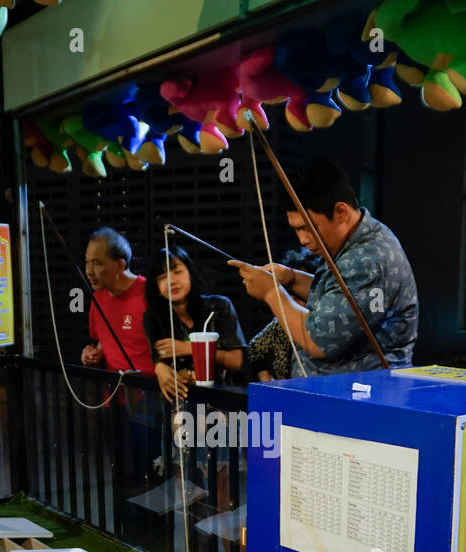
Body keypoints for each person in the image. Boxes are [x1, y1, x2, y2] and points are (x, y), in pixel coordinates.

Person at [231, 158, 417, 376]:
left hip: (360, 399)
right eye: (296, 230)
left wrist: (271, 292)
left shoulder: (367, 259)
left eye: (308, 228)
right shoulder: (361, 238)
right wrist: (291, 278)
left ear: (341, 212)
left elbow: (318, 340)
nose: (302, 239)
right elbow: (341, 297)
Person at [144, 246, 245, 402]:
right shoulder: (153, 317)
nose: (171, 281)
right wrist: (159, 368)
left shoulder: (219, 306)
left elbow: (236, 361)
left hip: (221, 401)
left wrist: (187, 348)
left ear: (190, 273)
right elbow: (159, 360)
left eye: (177, 272)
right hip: (179, 403)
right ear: (156, 287)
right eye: (162, 277)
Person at [80, 227, 154, 375]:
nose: (88, 271)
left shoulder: (151, 294)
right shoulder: (98, 298)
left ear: (120, 265)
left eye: (96, 263)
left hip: (151, 392)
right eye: (87, 262)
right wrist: (93, 354)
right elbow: (103, 342)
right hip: (113, 393)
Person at [247, 248, 319, 382]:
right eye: (289, 292)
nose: (293, 298)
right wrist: (265, 377)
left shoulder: (325, 323)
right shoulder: (280, 324)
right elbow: (254, 349)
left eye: (299, 294)